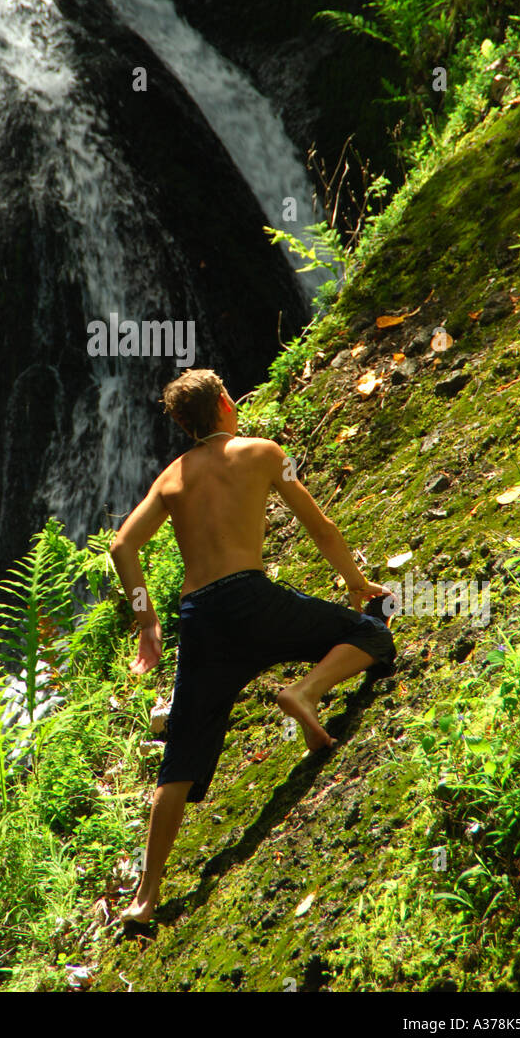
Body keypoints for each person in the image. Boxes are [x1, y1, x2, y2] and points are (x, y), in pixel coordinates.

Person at [109, 367, 395, 925]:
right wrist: (359, 585)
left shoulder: (170, 479)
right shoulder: (264, 452)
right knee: (371, 634)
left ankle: (145, 899)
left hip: (201, 618)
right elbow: (319, 526)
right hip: (253, 599)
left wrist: (148, 624)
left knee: (181, 758)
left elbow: (122, 546)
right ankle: (306, 692)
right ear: (223, 405)